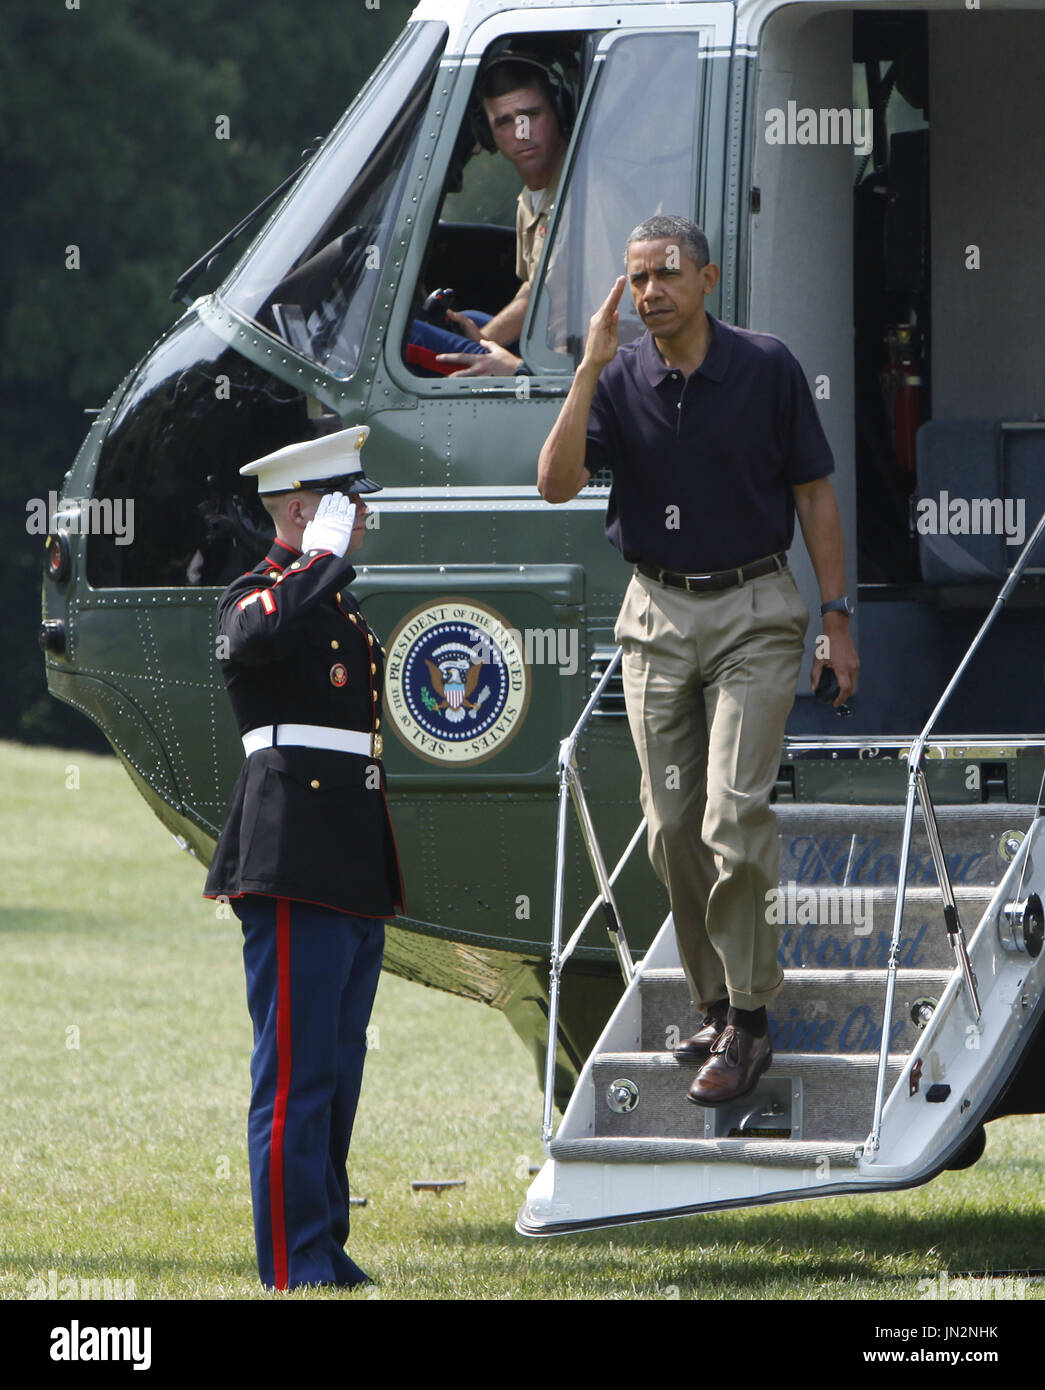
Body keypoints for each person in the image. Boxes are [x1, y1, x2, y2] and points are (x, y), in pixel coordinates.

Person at [537, 214, 859, 1108]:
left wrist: (837, 619)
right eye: (637, 279)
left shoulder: (767, 367)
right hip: (657, 612)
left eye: (666, 275)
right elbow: (555, 483)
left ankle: (752, 1022)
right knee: (671, 821)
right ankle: (713, 1001)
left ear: (709, 280)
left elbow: (814, 496)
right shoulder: (619, 376)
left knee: (731, 811)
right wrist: (591, 365)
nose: (650, 294)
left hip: (758, 606)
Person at [203, 426, 403, 1290]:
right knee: (294, 1072)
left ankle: (323, 1240)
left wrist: (324, 569)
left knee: (338, 1067)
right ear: (299, 509)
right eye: (342, 506)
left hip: (349, 855)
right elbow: (250, 644)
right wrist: (315, 559)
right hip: (290, 853)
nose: (359, 521)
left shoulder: (333, 604)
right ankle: (292, 1260)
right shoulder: (258, 594)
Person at [418, 56, 570, 378]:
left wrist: (488, 344)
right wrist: (484, 334)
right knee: (468, 319)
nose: (522, 132)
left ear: (559, 113)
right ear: (489, 135)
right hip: (550, 349)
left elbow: (553, 295)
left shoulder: (581, 191)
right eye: (505, 122)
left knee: (409, 337)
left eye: (531, 115)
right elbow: (534, 285)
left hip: (564, 370)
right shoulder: (533, 195)